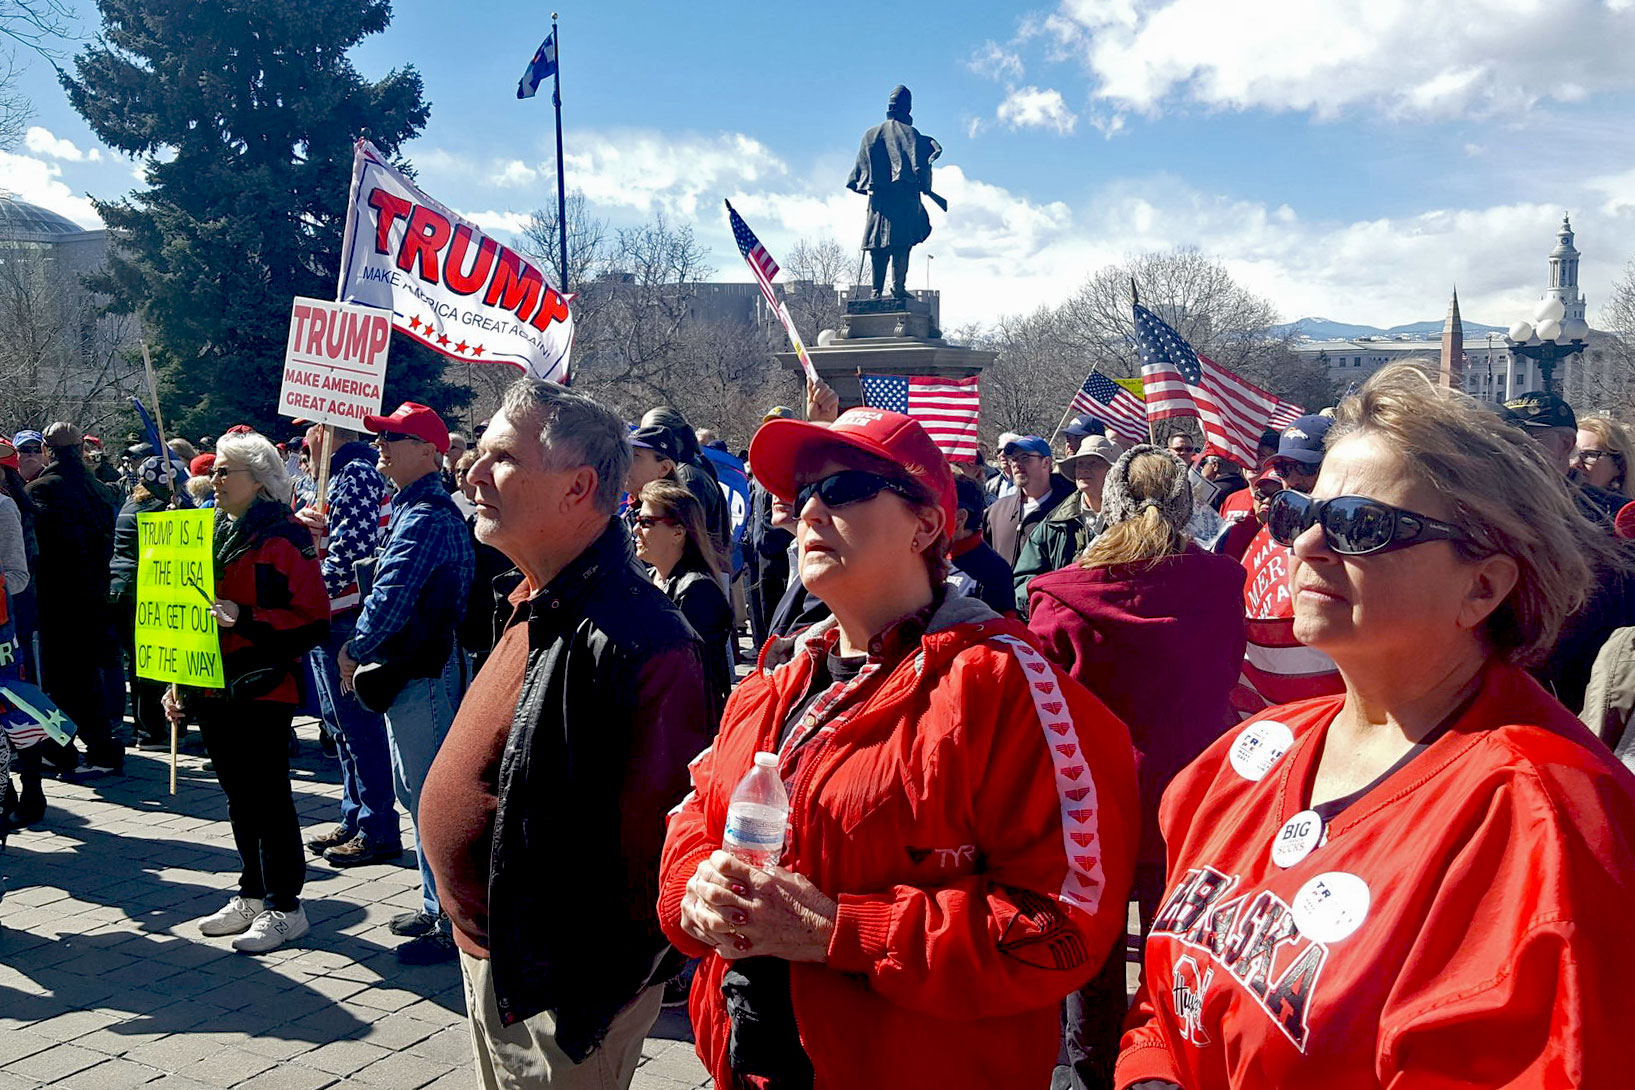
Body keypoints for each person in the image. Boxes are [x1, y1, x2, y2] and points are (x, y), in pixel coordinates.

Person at [1116, 363, 1635, 1090]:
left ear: (1483, 585)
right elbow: (1169, 1005)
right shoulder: (1237, 764)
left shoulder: (1547, 819)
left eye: (1361, 526)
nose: (1304, 547)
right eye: (1296, 514)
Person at [658, 406, 1139, 1089]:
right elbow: (693, 814)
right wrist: (694, 889)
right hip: (747, 1061)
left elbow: (1062, 927)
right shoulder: (773, 678)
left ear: (926, 525)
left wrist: (841, 929)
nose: (810, 511)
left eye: (844, 488)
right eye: (803, 494)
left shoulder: (1007, 689)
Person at [419, 378, 711, 1089]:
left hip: (560, 991)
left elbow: (651, 862)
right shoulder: (536, 596)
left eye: (503, 458)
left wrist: (587, 1012)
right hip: (504, 961)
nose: (473, 473)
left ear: (578, 487)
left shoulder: (643, 639)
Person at [1028, 445, 1247, 1090]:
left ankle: (1091, 1070)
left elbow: (1043, 711)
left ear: (1110, 505)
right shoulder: (1220, 585)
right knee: (1177, 953)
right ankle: (1167, 1066)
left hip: (1092, 804)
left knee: (1087, 956)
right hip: (1194, 795)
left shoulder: (1062, 596)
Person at [164, 432, 329, 954]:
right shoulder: (206, 531)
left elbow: (313, 620)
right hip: (214, 686)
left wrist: (248, 617)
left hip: (264, 685)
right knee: (239, 797)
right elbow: (179, 616)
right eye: (214, 471)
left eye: (224, 471)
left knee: (269, 798)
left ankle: (286, 906)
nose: (213, 479)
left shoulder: (285, 536)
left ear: (258, 481)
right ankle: (252, 893)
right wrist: (176, 680)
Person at [341, 402, 475, 965]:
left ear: (427, 451)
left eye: (393, 438)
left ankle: (450, 922)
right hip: (418, 669)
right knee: (415, 792)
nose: (381, 446)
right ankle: (435, 907)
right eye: (382, 437)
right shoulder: (416, 510)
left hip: (423, 671)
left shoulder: (425, 517)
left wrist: (354, 649)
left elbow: (391, 596)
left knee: (430, 798)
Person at [294, 426, 402, 872]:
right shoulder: (331, 476)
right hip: (329, 614)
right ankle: (355, 816)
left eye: (310, 428)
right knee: (340, 726)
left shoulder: (355, 473)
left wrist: (307, 597)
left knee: (358, 727)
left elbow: (350, 552)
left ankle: (377, 827)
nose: (305, 438)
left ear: (326, 431)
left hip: (343, 614)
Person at [27, 422, 122, 776]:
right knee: (83, 676)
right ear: (81, 448)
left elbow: (40, 549)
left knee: (67, 680)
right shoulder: (99, 488)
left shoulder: (41, 489)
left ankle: (95, 750)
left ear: (47, 450)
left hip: (57, 598)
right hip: (94, 593)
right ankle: (67, 748)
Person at [1235, 415, 1343, 715]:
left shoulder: (1355, 531)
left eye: (1306, 467)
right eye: (1284, 468)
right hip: (1287, 702)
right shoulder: (1274, 527)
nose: (1293, 479)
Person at [634, 479, 734, 718]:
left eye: (646, 522)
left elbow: (692, 674)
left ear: (678, 532)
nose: (636, 529)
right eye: (636, 520)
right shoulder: (648, 578)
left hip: (684, 721)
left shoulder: (698, 590)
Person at [1012, 435, 1123, 613]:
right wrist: (1053, 607)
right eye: (1079, 463)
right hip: (1063, 622)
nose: (1083, 469)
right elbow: (1024, 582)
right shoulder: (1054, 523)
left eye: (1094, 463)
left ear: (1113, 472)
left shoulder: (1133, 523)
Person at [110, 457, 176, 751]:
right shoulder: (160, 509)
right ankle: (151, 732)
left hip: (120, 588)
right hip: (143, 590)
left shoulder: (131, 504)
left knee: (138, 662)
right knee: (151, 662)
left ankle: (144, 728)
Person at [985, 435, 1074, 567]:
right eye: (1013, 459)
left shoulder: (1066, 512)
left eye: (1024, 457)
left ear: (1046, 463)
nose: (1017, 464)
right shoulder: (996, 511)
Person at [946, 475, 1015, 615]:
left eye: (938, 511)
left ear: (960, 518)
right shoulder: (926, 557)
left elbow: (1003, 626)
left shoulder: (994, 572)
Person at [1571, 413, 1632, 499]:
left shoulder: (1627, 507)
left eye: (1590, 454)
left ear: (1619, 466)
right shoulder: (1554, 505)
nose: (1575, 463)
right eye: (1571, 452)